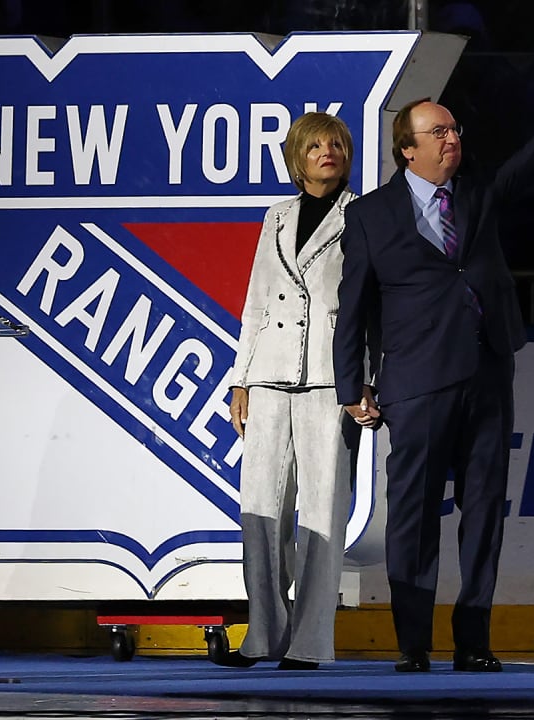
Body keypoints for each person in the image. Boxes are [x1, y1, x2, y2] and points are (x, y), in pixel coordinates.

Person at [332, 19, 534, 673]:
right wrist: (352, 387)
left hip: (487, 373)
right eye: (440, 133)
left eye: (455, 130)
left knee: (484, 511)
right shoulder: (370, 215)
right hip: (416, 381)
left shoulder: (479, 194)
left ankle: (475, 639)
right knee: (414, 517)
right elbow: (353, 308)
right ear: (408, 149)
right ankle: (412, 643)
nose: (454, 139)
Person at [213, 112, 375, 671]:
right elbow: (257, 302)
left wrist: (365, 378)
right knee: (259, 507)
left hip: (332, 378)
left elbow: (370, 305)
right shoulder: (276, 216)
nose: (326, 152)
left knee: (324, 511)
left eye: (335, 144)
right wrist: (240, 378)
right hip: (268, 375)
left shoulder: (365, 214)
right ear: (297, 157)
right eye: (314, 146)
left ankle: (311, 643)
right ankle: (262, 634)